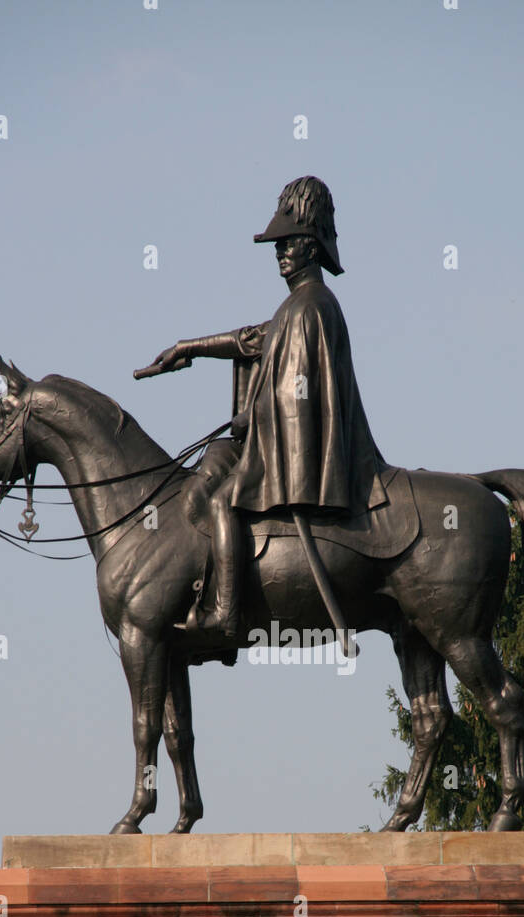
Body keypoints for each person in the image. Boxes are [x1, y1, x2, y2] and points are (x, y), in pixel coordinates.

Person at [142, 176, 387, 639]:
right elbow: (251, 339)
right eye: (276, 244)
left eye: (288, 243)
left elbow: (298, 395)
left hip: (299, 455)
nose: (279, 252)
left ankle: (225, 612)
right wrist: (189, 348)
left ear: (312, 248)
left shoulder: (309, 308)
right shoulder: (294, 307)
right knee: (213, 458)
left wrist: (251, 417)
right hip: (276, 439)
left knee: (223, 501)